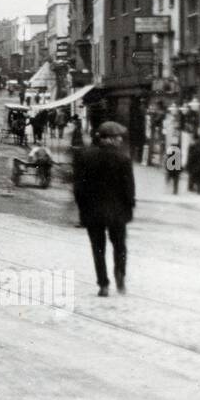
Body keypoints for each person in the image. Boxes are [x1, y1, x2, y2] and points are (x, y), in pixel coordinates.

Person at [72, 121, 135, 297]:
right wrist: (129, 209)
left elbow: (78, 188)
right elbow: (129, 189)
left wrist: (82, 209)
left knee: (98, 249)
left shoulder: (86, 157)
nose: (121, 140)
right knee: (120, 247)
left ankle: (103, 284)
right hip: (117, 213)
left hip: (93, 212)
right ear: (110, 139)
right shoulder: (123, 159)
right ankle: (120, 276)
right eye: (118, 137)